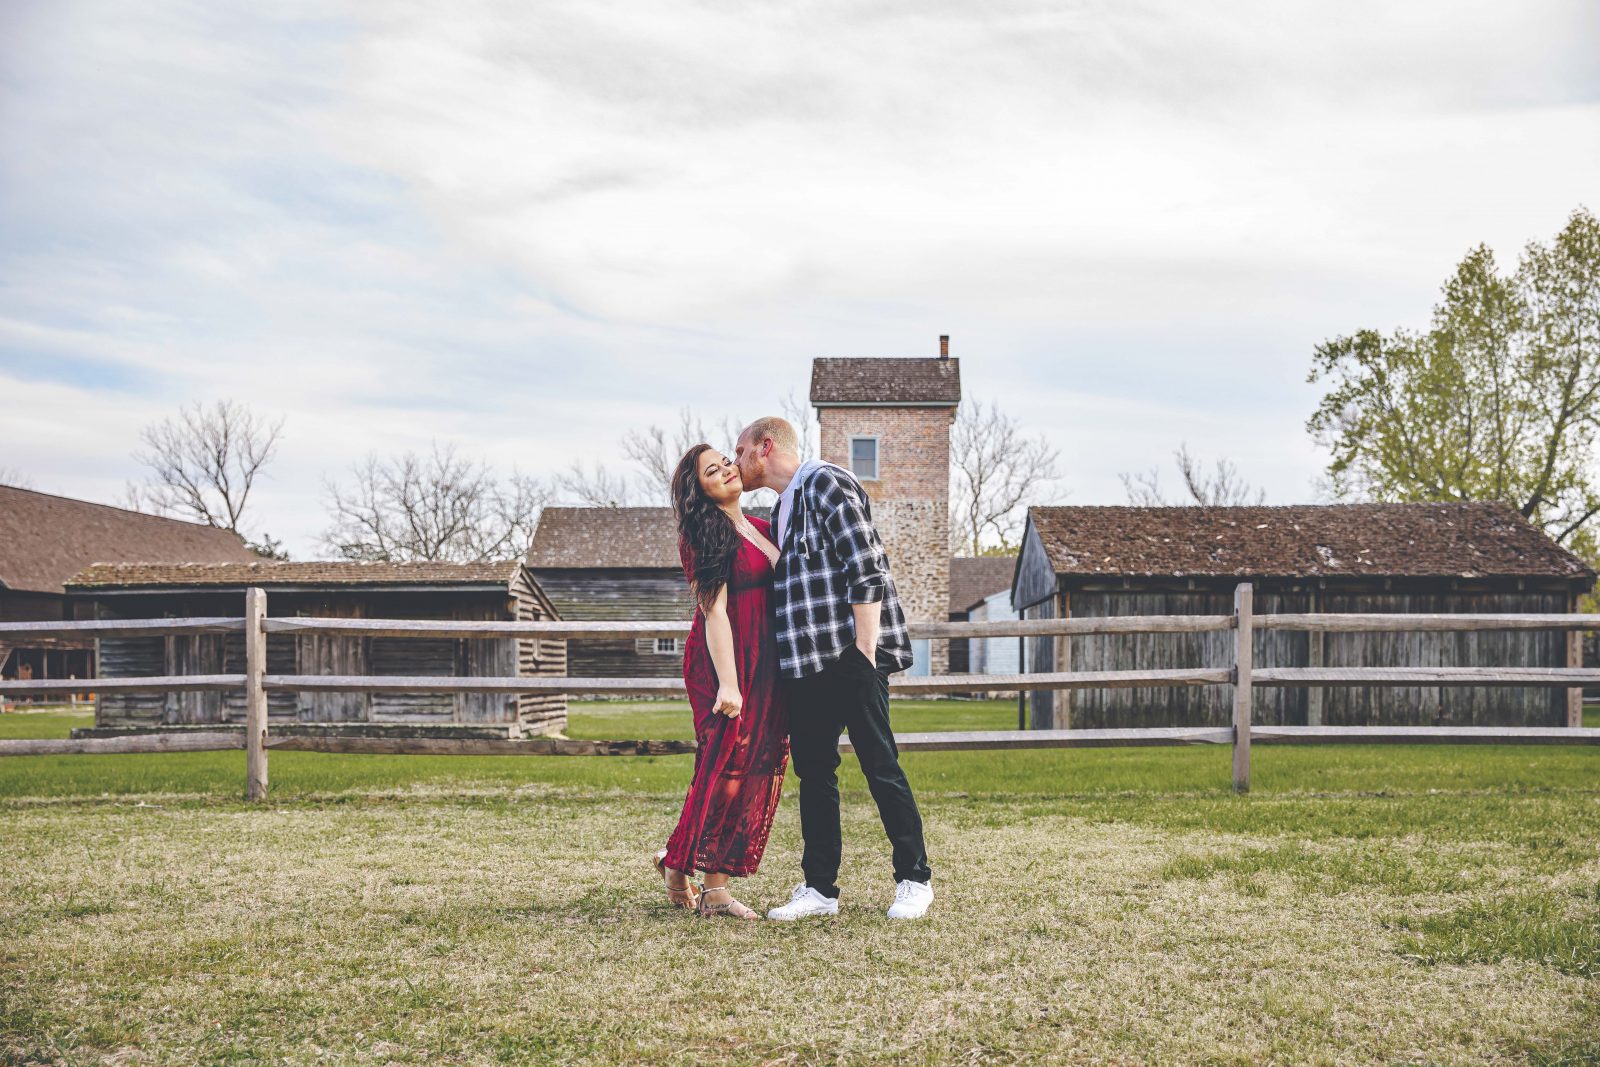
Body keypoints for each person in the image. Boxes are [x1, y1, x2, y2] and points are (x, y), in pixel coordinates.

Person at [732, 415, 934, 921]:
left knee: (880, 766)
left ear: (765, 446)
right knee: (815, 774)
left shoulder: (826, 480)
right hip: (805, 664)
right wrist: (735, 518)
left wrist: (865, 656)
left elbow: (866, 566)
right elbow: (783, 568)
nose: (735, 463)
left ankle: (914, 879)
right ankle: (820, 889)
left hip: (850, 655)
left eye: (739, 451)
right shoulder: (782, 508)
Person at [653, 444, 789, 919]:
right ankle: (713, 888)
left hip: (769, 664)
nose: (726, 470)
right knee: (726, 767)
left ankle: (677, 863)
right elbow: (714, 612)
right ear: (701, 489)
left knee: (754, 765)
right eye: (712, 471)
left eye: (725, 462)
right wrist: (730, 685)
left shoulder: (767, 526)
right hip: (725, 663)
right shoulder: (704, 533)